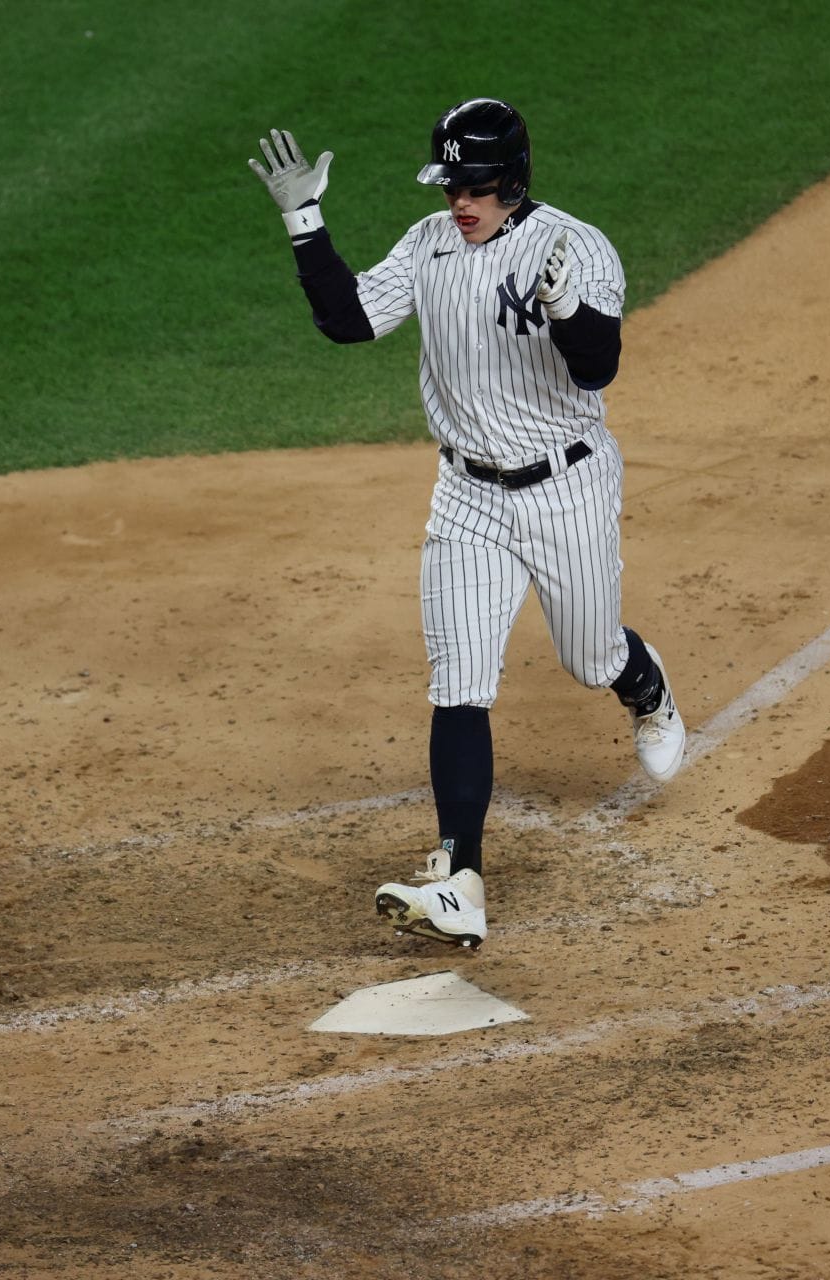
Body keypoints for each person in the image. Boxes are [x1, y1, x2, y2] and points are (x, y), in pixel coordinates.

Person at [248, 99, 685, 951]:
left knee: (588, 657)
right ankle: (460, 879)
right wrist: (306, 223)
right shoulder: (429, 245)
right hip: (467, 498)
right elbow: (348, 320)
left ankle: (643, 684)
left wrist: (567, 308)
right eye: (452, 186)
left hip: (566, 489)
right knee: (459, 682)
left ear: (512, 182)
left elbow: (598, 366)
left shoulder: (575, 248)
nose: (461, 201)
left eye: (476, 187)